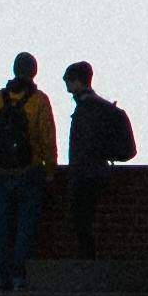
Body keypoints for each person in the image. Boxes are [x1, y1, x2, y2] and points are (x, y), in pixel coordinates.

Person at [0, 50, 57, 293]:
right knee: (25, 228)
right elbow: (47, 139)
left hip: (1, 173)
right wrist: (50, 171)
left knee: (1, 228)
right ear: (34, 72)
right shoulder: (39, 101)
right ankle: (18, 278)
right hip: (29, 172)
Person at [61, 58, 137, 255]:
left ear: (77, 81)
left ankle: (87, 260)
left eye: (69, 81)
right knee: (87, 221)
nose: (67, 86)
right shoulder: (105, 109)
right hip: (97, 172)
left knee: (82, 221)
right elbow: (128, 150)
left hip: (85, 174)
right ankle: (88, 259)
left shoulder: (86, 109)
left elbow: (82, 147)